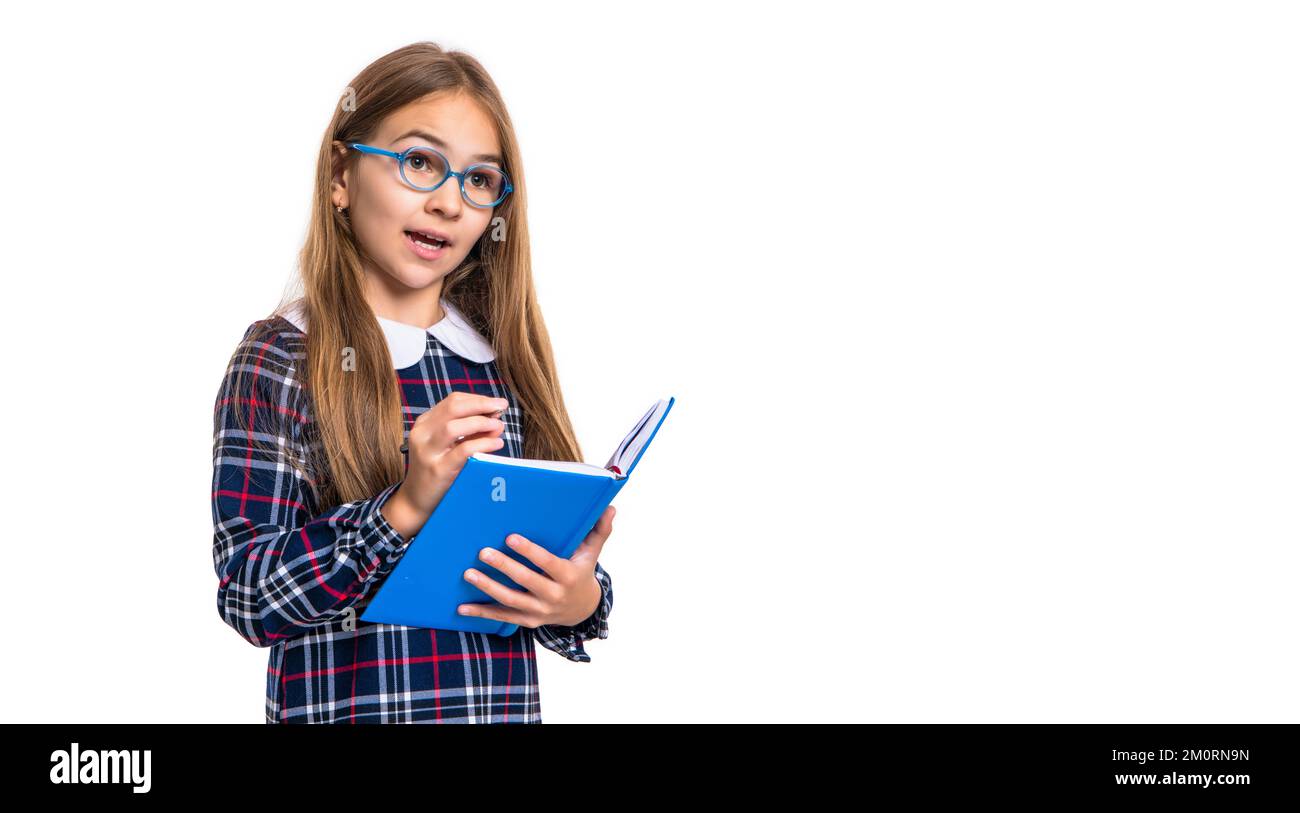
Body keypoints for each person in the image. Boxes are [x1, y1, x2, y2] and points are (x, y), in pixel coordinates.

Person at [210, 42, 614, 723]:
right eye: (420, 162)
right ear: (341, 174)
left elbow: (536, 568)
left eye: (480, 180)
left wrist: (578, 599)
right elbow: (249, 596)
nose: (450, 202)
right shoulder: (282, 358)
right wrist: (401, 508)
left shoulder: (501, 362)